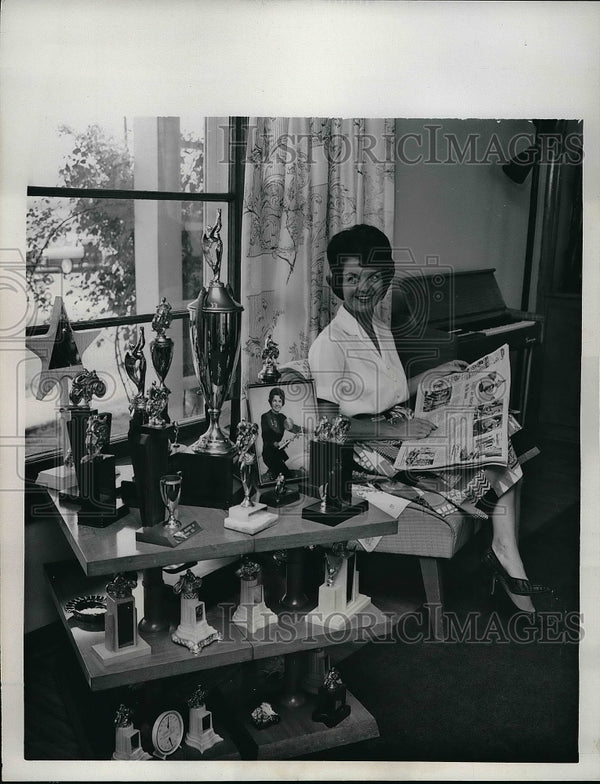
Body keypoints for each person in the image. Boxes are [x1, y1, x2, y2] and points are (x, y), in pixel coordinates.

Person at [308, 223, 554, 617]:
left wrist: (425, 379)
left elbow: (384, 391)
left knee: (495, 425)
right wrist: (393, 428)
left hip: (398, 428)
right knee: (492, 451)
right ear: (334, 280)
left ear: (386, 278)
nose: (364, 288)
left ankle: (504, 548)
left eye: (373, 277)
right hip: (365, 453)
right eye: (352, 278)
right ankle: (505, 551)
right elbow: (327, 429)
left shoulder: (378, 326)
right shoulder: (328, 346)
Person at [260, 387, 302, 480]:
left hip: (278, 453)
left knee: (284, 475)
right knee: (286, 476)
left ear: (282, 402)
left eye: (279, 401)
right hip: (269, 453)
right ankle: (267, 476)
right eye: (274, 400)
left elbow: (292, 427)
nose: (277, 404)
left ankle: (271, 474)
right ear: (270, 401)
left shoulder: (283, 417)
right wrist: (277, 443)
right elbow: (265, 437)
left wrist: (301, 431)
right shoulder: (265, 417)